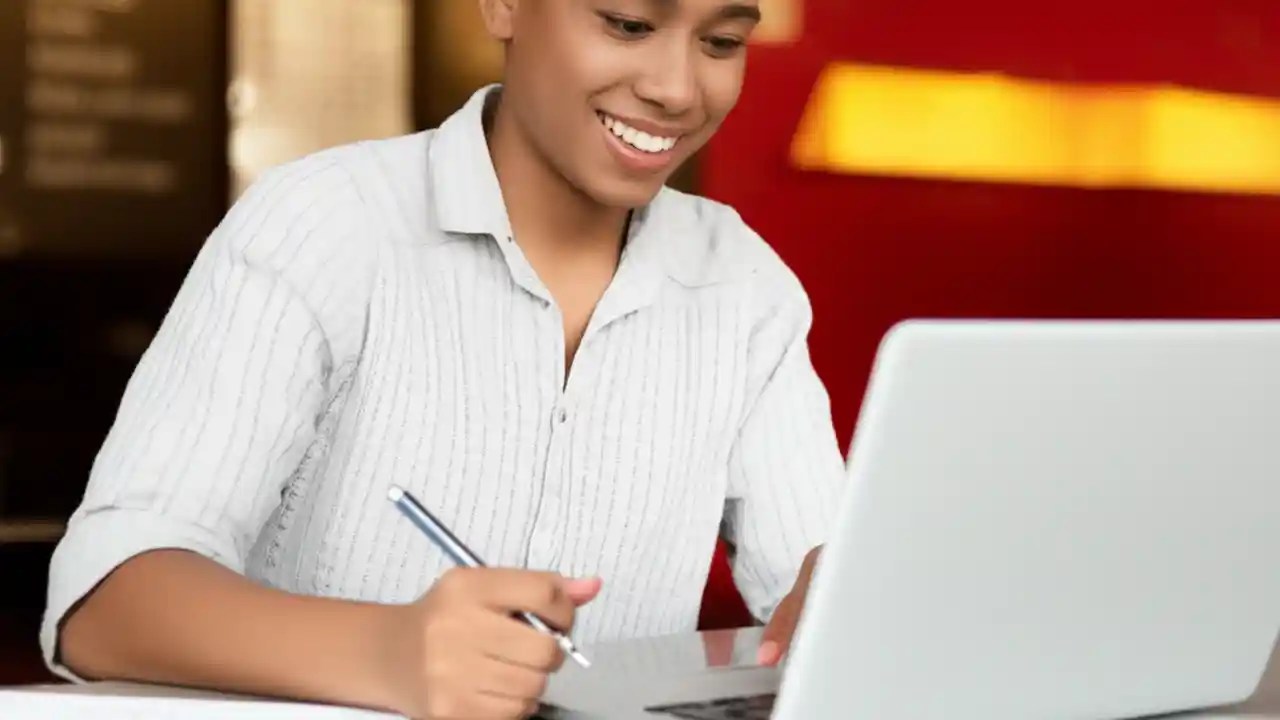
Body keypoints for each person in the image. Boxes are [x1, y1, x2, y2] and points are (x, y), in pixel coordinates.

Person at [42, 0, 845, 718]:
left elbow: (824, 584)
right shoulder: (323, 225)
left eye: (722, 41)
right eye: (628, 25)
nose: (677, 88)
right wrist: (386, 653)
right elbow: (104, 602)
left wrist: (847, 603)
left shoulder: (745, 289)